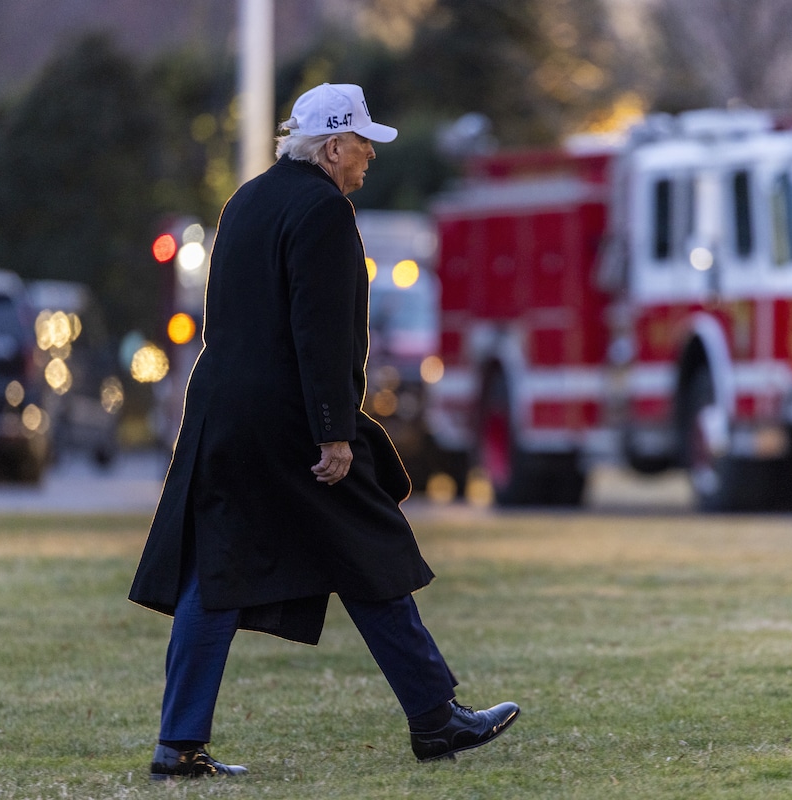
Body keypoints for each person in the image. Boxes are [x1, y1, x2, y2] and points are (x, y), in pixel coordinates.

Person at [128, 82, 520, 781]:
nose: (370, 153)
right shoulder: (323, 211)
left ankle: (178, 743)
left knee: (217, 569)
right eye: (362, 141)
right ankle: (435, 719)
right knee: (369, 547)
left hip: (222, 412)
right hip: (291, 422)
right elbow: (323, 330)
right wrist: (335, 431)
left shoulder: (246, 200)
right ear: (332, 145)